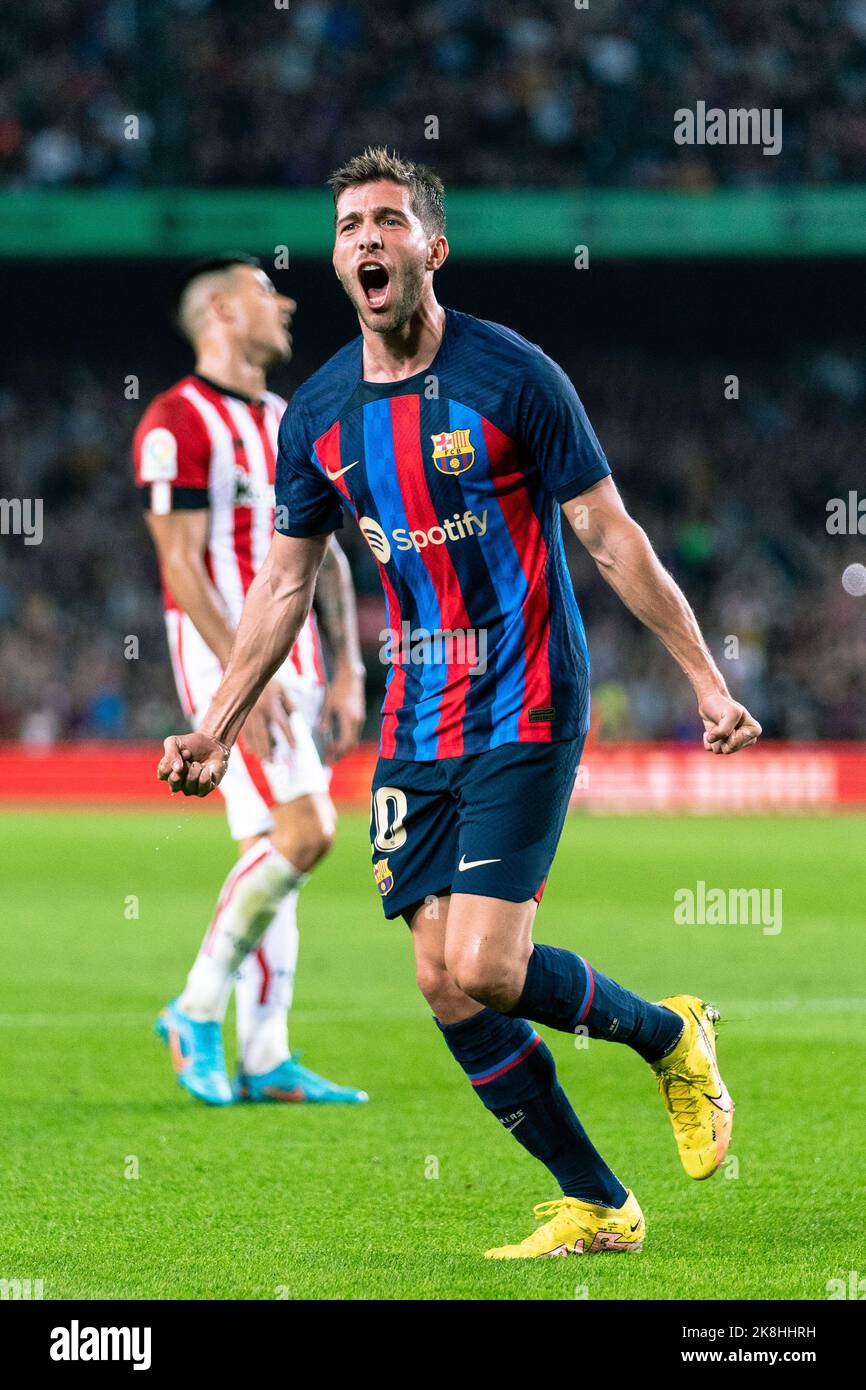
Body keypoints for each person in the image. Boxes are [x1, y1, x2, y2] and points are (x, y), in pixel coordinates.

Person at [156, 152, 761, 1256]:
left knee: (485, 962)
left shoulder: (514, 374)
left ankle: (667, 1032)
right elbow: (285, 582)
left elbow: (607, 534)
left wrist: (702, 678)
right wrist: (218, 723)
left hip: (526, 693)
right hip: (417, 716)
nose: (366, 241)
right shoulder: (321, 414)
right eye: (348, 227)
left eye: (388, 221)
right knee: (443, 984)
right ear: (339, 258)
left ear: (433, 247)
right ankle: (599, 1202)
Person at [134, 254, 367, 1107]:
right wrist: (243, 679)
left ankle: (265, 1054)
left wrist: (347, 669)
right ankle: (195, 1008)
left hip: (295, 654)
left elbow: (328, 554)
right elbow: (181, 565)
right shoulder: (175, 420)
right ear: (224, 313)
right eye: (268, 294)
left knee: (273, 850)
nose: (289, 302)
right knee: (308, 834)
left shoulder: (289, 415)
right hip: (229, 655)